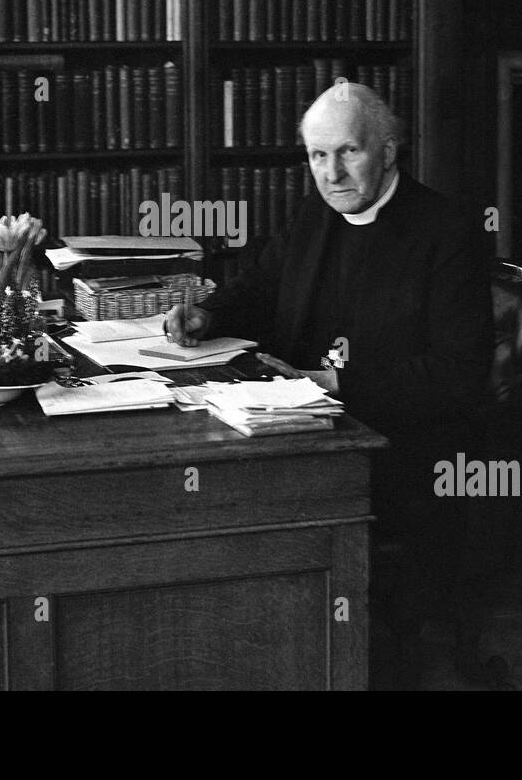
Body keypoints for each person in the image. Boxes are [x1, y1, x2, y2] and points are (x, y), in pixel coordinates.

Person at [164, 81, 499, 688]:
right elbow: (264, 285)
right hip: (297, 417)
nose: (332, 173)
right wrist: (209, 315)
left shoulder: (446, 234)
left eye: (348, 152)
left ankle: (323, 660)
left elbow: (457, 374)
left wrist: (336, 382)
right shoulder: (317, 211)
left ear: (389, 151)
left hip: (400, 441)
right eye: (318, 156)